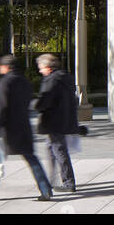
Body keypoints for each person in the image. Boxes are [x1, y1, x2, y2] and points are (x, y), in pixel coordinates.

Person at [0, 55, 52, 202]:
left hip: (6, 129)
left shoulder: (4, 82)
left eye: (0, 66)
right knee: (32, 159)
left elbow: (0, 108)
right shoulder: (25, 82)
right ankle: (46, 190)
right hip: (23, 126)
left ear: (6, 67)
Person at [33, 53, 79, 192]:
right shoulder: (66, 77)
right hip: (64, 119)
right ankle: (52, 179)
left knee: (59, 151)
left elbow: (45, 101)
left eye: (41, 67)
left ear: (48, 67)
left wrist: (35, 105)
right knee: (51, 148)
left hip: (54, 121)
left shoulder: (51, 80)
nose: (40, 70)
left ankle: (69, 183)